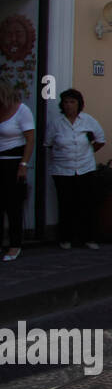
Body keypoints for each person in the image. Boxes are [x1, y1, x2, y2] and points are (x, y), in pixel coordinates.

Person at [45, 88, 106, 251]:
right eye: (66, 102)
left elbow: (100, 139)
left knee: (86, 204)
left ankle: (89, 237)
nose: (69, 105)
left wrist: (88, 152)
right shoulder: (56, 123)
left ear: (79, 104)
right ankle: (66, 238)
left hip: (85, 168)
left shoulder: (88, 120)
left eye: (72, 102)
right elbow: (48, 143)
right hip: (62, 169)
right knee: (66, 204)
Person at [0, 82, 34, 261]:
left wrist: (23, 164)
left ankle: (14, 245)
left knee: (13, 205)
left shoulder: (22, 111)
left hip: (13, 162)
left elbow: (30, 140)